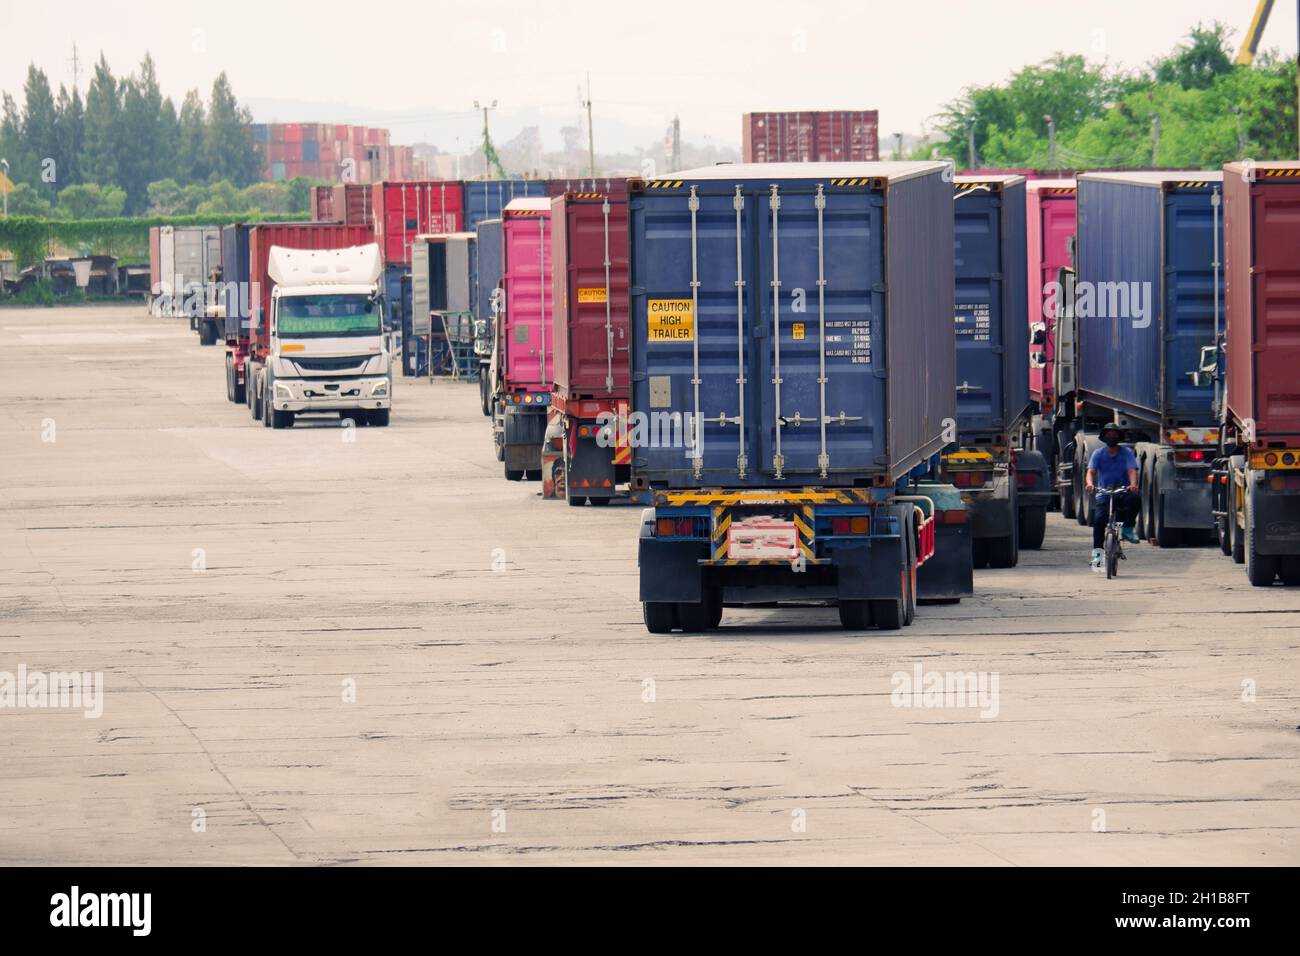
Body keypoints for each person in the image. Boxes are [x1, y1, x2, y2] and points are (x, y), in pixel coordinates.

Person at [1085, 424, 1140, 567]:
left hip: (1122, 491)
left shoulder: (1126, 452)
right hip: (1104, 492)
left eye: (1114, 435)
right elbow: (1091, 471)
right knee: (1098, 522)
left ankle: (1128, 529)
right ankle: (1097, 558)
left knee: (1135, 499)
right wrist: (1090, 484)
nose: (1112, 437)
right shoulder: (1098, 453)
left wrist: (1133, 485)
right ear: (1104, 437)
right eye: (1109, 435)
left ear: (1119, 437)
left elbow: (1132, 470)